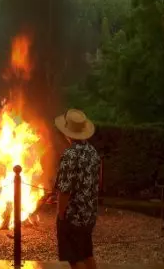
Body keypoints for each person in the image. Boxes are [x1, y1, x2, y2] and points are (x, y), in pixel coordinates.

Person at [54, 109, 100, 269]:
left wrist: (61, 216)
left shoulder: (70, 155)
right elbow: (97, 181)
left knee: (74, 259)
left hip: (73, 217)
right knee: (87, 253)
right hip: (89, 214)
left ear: (68, 133)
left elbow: (65, 189)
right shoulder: (93, 152)